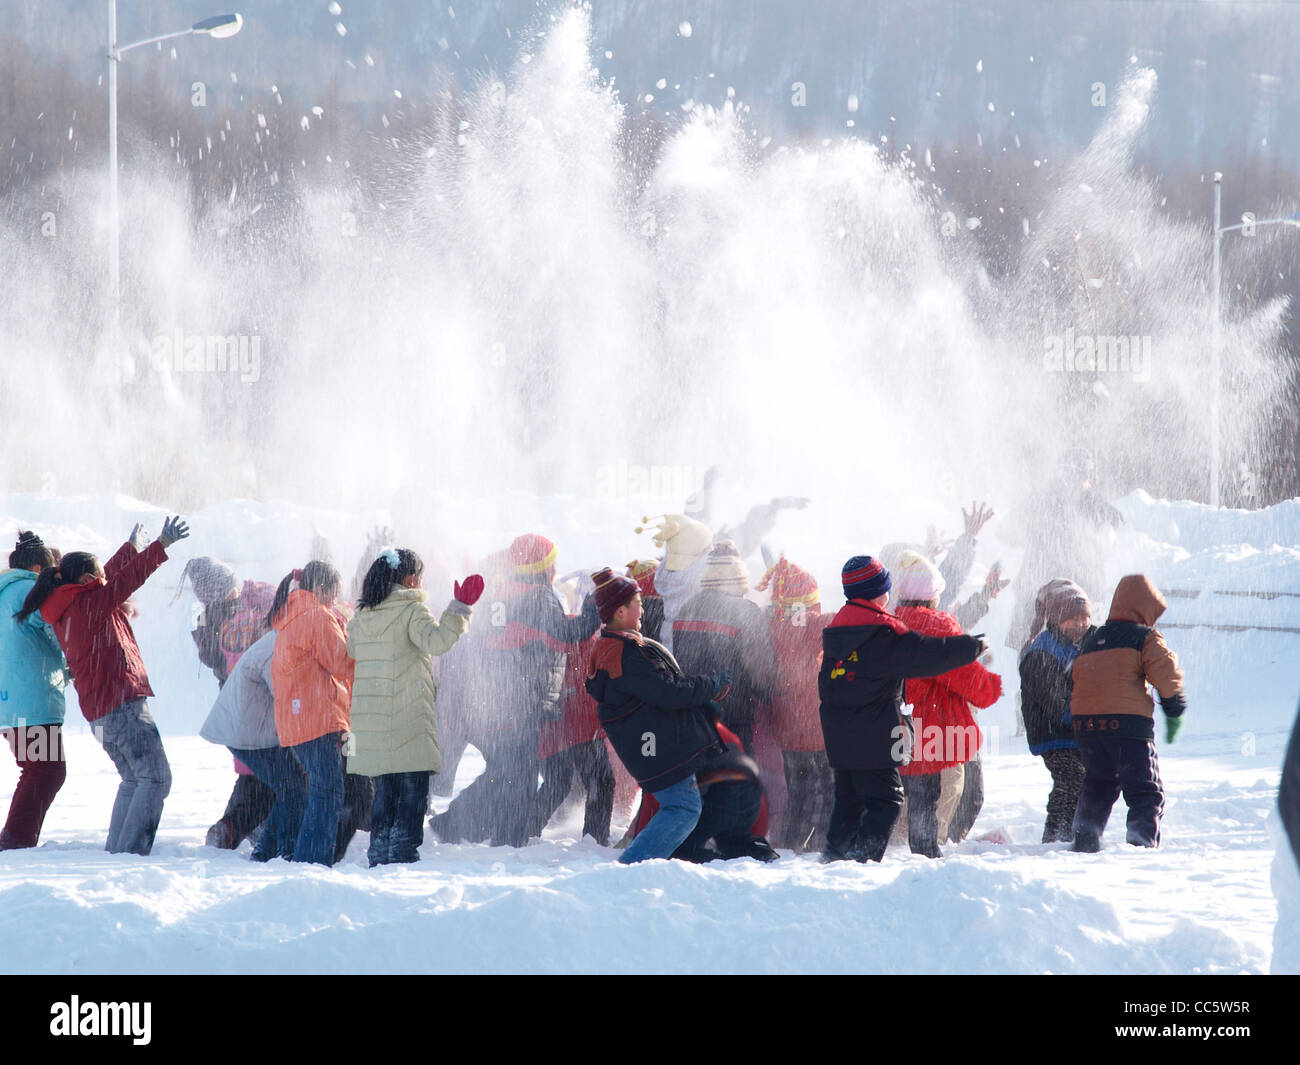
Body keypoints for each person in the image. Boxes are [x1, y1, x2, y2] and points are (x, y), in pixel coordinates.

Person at [18, 517, 190, 855]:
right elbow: (120, 583)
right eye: (96, 577)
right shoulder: (89, 604)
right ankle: (131, 854)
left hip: (101, 713)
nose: (102, 581)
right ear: (86, 580)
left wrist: (130, 549)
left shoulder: (70, 603)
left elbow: (108, 578)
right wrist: (160, 547)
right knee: (155, 778)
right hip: (122, 705)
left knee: (134, 779)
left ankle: (119, 853)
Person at [430, 534, 598, 847]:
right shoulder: (538, 597)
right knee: (518, 774)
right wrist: (592, 608)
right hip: (524, 698)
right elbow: (569, 633)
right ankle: (505, 837)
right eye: (552, 563)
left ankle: (457, 824)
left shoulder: (501, 593)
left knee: (505, 770)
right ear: (543, 567)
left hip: (497, 697)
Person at [819, 555, 986, 863]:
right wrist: (968, 648)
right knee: (887, 800)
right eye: (885, 586)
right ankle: (860, 863)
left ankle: (833, 857)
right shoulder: (880, 631)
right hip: (872, 731)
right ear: (876, 591)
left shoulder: (840, 628)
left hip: (839, 730)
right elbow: (925, 655)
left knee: (850, 799)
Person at [584, 567, 731, 863]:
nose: (643, 608)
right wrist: (711, 686)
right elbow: (668, 693)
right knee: (682, 808)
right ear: (621, 611)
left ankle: (653, 862)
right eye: (637, 603)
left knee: (684, 805)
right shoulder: (624, 654)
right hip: (656, 748)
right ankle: (631, 867)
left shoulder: (620, 647)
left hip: (653, 745)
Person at [346, 547, 480, 866]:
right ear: (410, 578)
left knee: (385, 791)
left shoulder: (364, 615)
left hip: (373, 723)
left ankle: (379, 850)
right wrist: (460, 608)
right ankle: (403, 851)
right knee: (413, 791)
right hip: (407, 716)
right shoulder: (411, 610)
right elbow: (437, 642)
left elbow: (352, 649)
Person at [892, 552, 1002, 858]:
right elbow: (970, 681)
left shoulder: (891, 625)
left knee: (914, 796)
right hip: (940, 733)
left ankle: (907, 848)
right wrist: (992, 686)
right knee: (945, 795)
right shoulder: (939, 628)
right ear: (934, 596)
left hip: (900, 727)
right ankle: (929, 853)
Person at [1068, 574, 1185, 851]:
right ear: (1143, 608)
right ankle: (1141, 847)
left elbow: (1076, 679)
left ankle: (1085, 838)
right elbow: (1165, 673)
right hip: (1128, 731)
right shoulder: (1144, 637)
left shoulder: (1091, 639)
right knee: (1145, 792)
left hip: (1088, 730)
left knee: (1098, 784)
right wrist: (1174, 705)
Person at [178, 557, 278, 851]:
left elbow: (211, 659)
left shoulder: (208, 618)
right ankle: (242, 827)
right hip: (259, 704)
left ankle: (231, 827)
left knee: (251, 772)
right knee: (266, 775)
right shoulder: (240, 616)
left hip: (233, 705)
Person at [268, 560, 354, 866]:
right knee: (327, 794)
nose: (335, 601)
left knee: (320, 792)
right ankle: (312, 864)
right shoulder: (317, 616)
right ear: (320, 590)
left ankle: (306, 860)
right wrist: (351, 632)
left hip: (297, 720)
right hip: (317, 717)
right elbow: (343, 663)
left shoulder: (291, 615)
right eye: (334, 593)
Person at [199, 630, 305, 860]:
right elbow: (287, 696)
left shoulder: (269, 636)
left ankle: (252, 841)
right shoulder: (277, 647)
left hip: (247, 731)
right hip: (252, 735)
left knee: (277, 787)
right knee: (293, 788)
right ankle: (279, 852)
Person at [755, 557, 833, 852]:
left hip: (785, 724)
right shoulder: (812, 623)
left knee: (798, 789)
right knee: (826, 789)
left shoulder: (770, 623)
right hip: (817, 724)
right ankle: (822, 844)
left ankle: (791, 842)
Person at [672, 540, 776, 755]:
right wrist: (771, 693)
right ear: (738, 573)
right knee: (737, 781)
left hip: (693, 715)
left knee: (703, 782)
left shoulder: (686, 608)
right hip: (733, 716)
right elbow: (759, 671)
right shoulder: (745, 610)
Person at [0, 531, 69, 849]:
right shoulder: (30, 590)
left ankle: (16, 837)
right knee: (46, 770)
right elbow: (57, 626)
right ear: (40, 568)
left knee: (38, 769)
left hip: (10, 702)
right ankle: (15, 839)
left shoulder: (5, 593)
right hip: (32, 697)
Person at [1019, 579, 1092, 843]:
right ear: (1058, 620)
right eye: (1073, 620)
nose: (1080, 625)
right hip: (1053, 731)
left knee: (1083, 780)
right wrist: (1087, 717)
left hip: (1075, 730)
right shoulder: (1042, 650)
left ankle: (1074, 833)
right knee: (1071, 778)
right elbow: (1056, 702)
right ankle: (1056, 835)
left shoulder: (1085, 640)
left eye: (1084, 619)